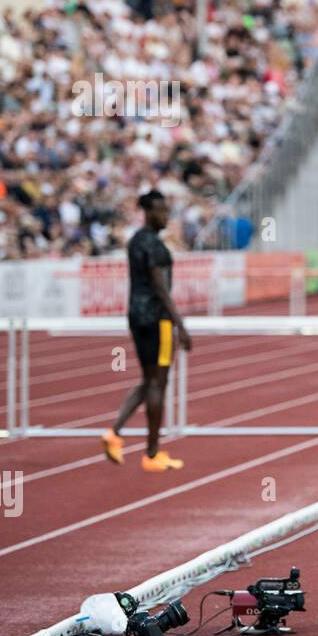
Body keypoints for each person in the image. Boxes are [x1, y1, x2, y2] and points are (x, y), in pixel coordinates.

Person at [101, 190, 192, 471]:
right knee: (158, 383)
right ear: (149, 212)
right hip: (157, 319)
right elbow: (160, 287)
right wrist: (179, 323)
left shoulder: (136, 241)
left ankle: (114, 432)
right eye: (162, 211)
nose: (166, 216)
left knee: (148, 379)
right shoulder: (153, 245)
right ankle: (152, 453)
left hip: (137, 317)